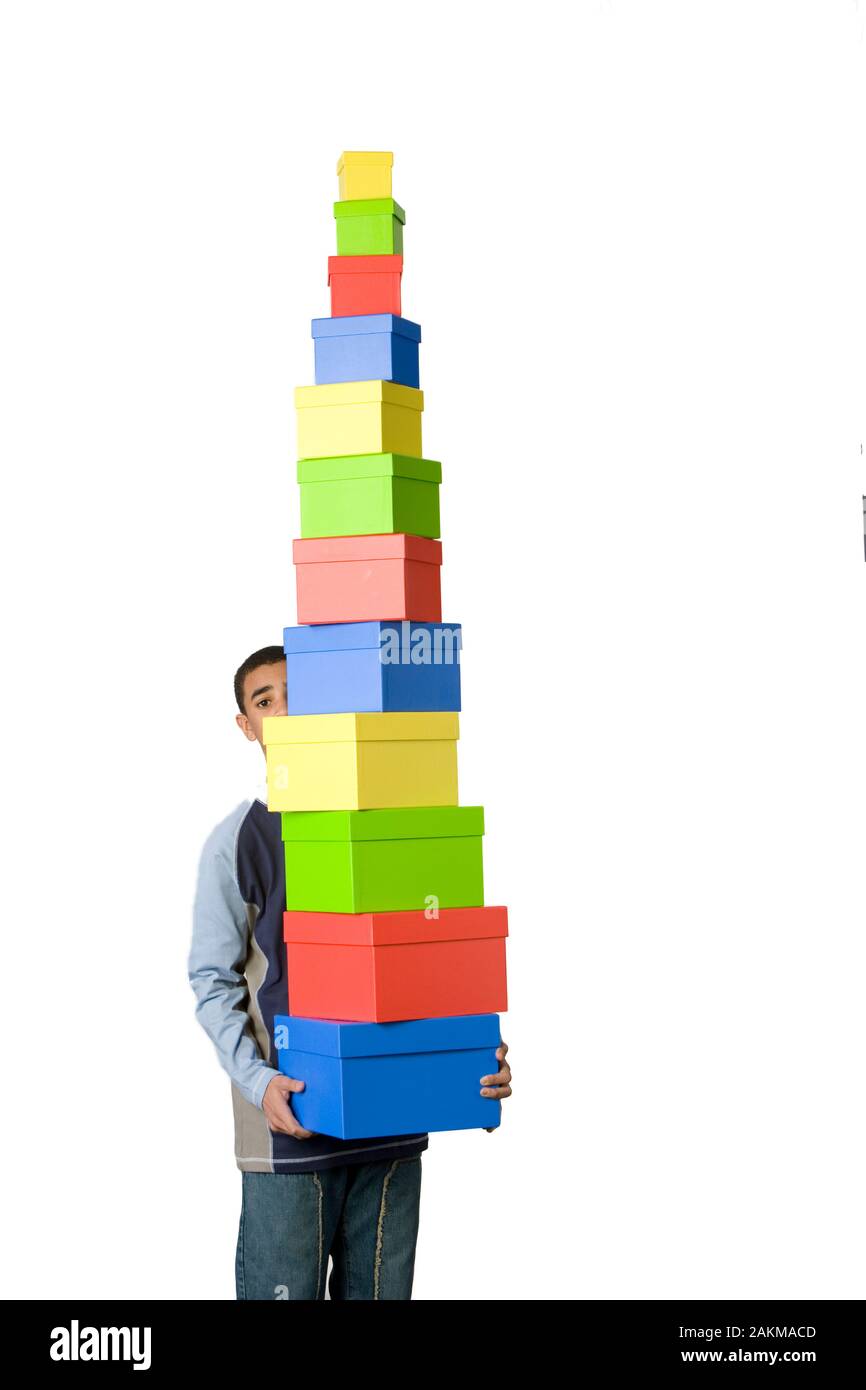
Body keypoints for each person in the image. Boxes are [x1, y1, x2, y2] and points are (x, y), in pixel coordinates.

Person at [187, 645, 513, 1301]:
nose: (284, 709)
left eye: (296, 692)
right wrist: (259, 1083)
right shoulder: (240, 840)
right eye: (264, 700)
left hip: (391, 1124)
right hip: (291, 1127)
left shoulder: (393, 830)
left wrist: (470, 1057)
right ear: (246, 726)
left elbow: (433, 955)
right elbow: (211, 982)